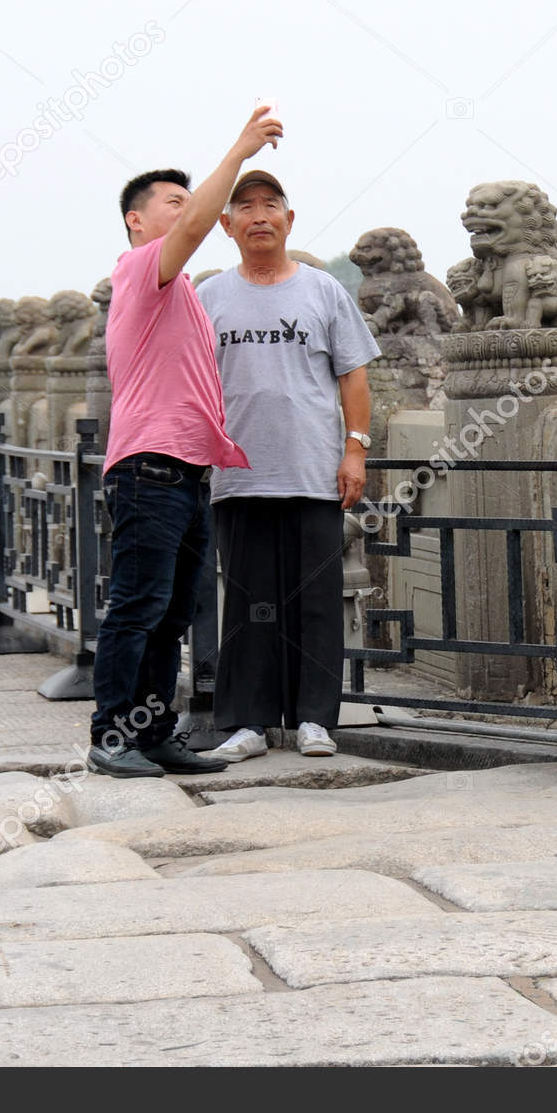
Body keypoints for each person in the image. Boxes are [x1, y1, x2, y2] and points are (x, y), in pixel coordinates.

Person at [87, 106, 282, 778]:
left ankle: (152, 732)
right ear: (137, 220)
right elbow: (202, 223)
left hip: (185, 472)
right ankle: (110, 736)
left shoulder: (185, 294)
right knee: (138, 610)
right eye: (174, 202)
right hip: (148, 468)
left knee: (169, 616)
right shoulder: (142, 269)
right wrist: (241, 148)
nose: (188, 209)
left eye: (187, 200)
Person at [195, 171, 380, 762]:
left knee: (317, 602)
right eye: (244, 207)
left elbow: (354, 374)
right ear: (226, 226)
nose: (258, 216)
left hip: (314, 472)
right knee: (249, 603)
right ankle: (247, 724)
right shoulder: (210, 297)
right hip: (240, 473)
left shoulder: (324, 292)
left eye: (270, 205)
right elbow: (193, 379)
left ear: (289, 219)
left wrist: (356, 448)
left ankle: (315, 721)